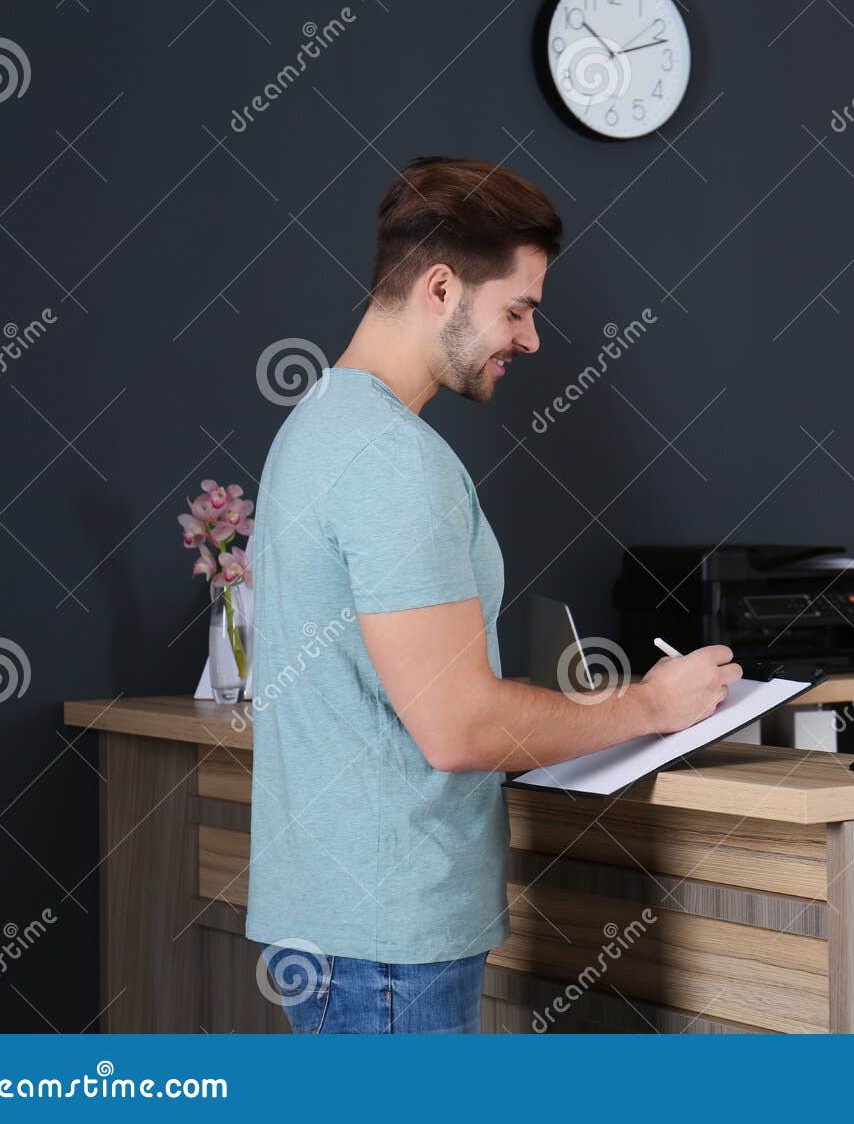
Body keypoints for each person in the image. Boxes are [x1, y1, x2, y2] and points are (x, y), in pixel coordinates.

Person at [244, 157, 741, 1033]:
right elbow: (459, 726)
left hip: (341, 926)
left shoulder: (314, 425)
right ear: (441, 288)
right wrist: (650, 705)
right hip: (389, 941)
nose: (532, 339)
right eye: (518, 309)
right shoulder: (395, 461)